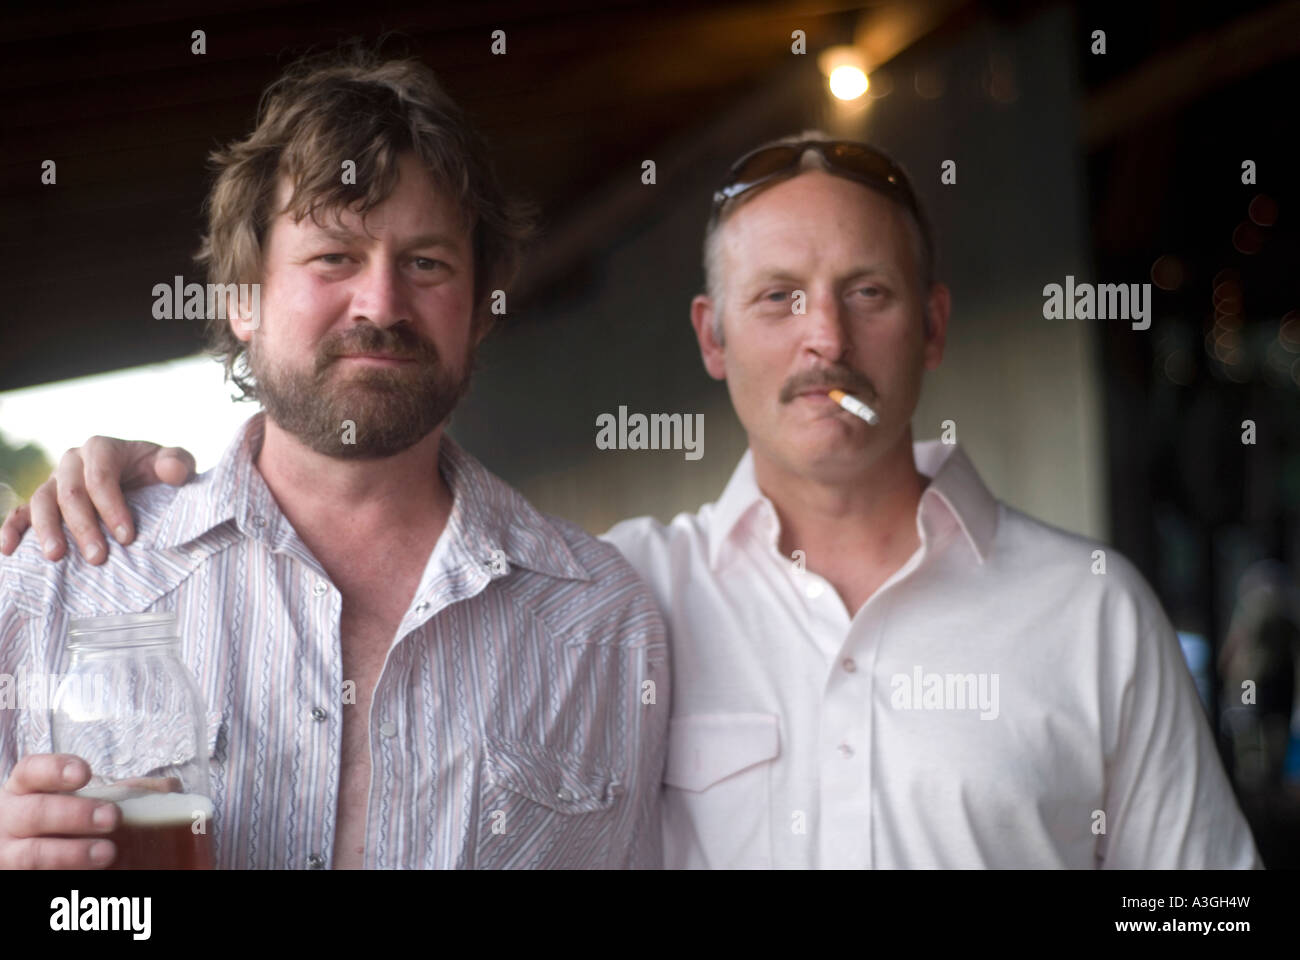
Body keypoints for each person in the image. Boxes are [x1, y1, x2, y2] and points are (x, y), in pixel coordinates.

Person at [4, 129, 1260, 868]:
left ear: (930, 326)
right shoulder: (624, 591)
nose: (823, 339)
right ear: (714, 340)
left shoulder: (1091, 613)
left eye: (867, 293)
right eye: (778, 300)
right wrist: (121, 473)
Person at [0, 50, 668, 870]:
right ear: (243, 299)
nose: (381, 304)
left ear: (481, 311)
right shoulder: (63, 579)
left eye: (426, 263)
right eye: (333, 258)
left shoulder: (606, 623)